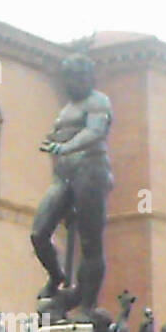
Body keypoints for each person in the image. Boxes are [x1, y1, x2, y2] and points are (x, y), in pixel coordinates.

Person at [30, 53, 114, 315]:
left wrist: (65, 146)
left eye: (77, 77)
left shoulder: (99, 101)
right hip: (64, 175)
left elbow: (94, 132)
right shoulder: (67, 108)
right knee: (39, 233)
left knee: (90, 242)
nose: (72, 83)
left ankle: (87, 304)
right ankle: (57, 276)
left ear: (89, 76)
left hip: (91, 170)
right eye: (68, 78)